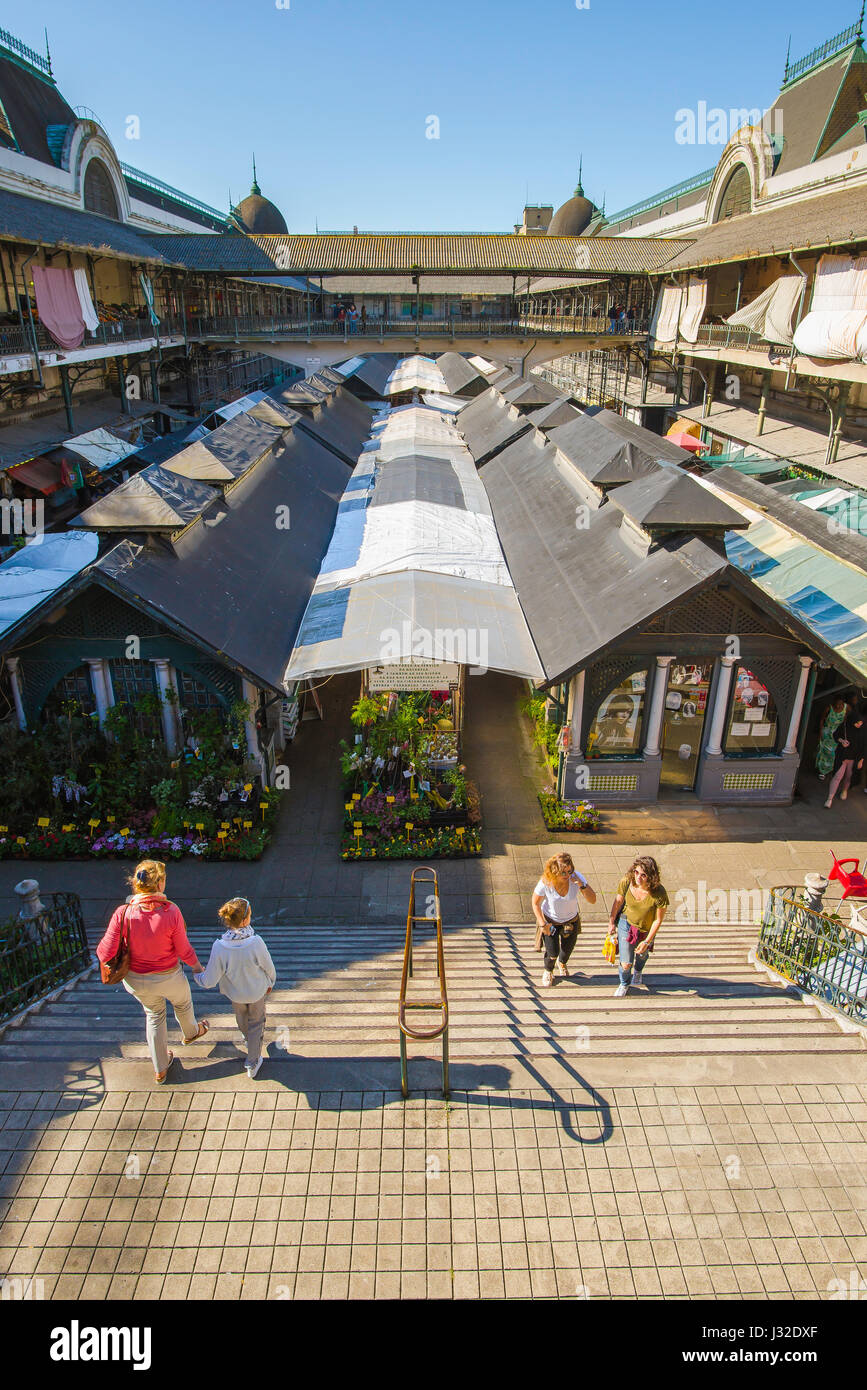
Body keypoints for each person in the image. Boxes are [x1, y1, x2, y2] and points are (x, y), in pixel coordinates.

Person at [96, 860, 208, 1084]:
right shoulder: (171, 911)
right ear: (161, 883)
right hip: (168, 975)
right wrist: (197, 967)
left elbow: (104, 952)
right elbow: (183, 949)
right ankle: (191, 1033)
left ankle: (160, 1068)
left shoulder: (123, 913)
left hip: (136, 980)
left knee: (155, 1016)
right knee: (183, 1003)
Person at [194, 897, 276, 1079]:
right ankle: (252, 1061)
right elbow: (268, 966)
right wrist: (271, 982)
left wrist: (197, 975)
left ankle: (248, 1040)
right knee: (257, 1023)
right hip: (256, 992)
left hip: (235, 994)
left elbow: (210, 979)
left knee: (241, 1019)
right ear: (246, 920)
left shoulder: (220, 946)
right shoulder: (256, 942)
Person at [606, 856, 668, 997]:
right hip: (626, 923)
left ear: (651, 877)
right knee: (626, 962)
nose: (638, 877)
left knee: (641, 955)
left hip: (646, 930)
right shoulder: (627, 881)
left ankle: (638, 971)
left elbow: (658, 920)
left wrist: (647, 941)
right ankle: (624, 983)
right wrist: (611, 922)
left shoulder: (659, 893)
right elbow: (618, 901)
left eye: (643, 875)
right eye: (636, 872)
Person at [532, 852, 597, 987]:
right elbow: (535, 903)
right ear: (555, 872)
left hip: (570, 921)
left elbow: (593, 900)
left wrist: (581, 885)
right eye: (563, 873)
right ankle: (548, 970)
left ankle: (562, 963)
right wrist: (542, 923)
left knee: (567, 950)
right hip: (551, 922)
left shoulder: (576, 878)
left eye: (570, 870)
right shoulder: (546, 882)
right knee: (552, 952)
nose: (568, 875)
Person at [825, 703, 866, 808]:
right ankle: (829, 798)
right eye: (857, 722)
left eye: (861, 722)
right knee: (837, 776)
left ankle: (844, 790)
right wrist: (841, 740)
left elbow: (864, 746)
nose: (859, 724)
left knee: (849, 776)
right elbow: (836, 735)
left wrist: (861, 759)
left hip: (854, 758)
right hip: (843, 755)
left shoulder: (863, 731)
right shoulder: (844, 727)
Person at [815, 695, 847, 780]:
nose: (838, 706)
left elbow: (845, 721)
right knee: (825, 752)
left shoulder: (846, 708)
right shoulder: (829, 708)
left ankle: (830, 769)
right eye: (836, 704)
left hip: (837, 734)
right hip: (827, 733)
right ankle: (822, 771)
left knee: (833, 754)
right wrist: (820, 733)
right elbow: (822, 720)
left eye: (840, 704)